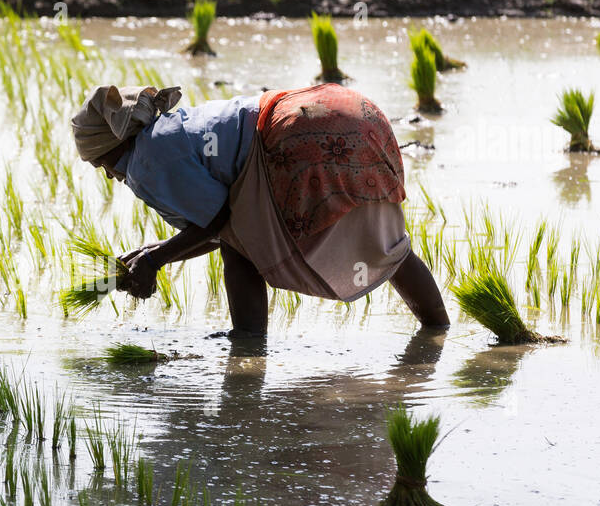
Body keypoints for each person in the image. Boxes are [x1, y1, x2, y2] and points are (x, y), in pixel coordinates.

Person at [70, 83, 449, 336]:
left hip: (293, 134)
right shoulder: (169, 132)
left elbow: (218, 222)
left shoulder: (145, 162)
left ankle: (249, 345)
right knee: (387, 247)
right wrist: (156, 254)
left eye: (100, 165)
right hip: (349, 113)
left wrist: (155, 260)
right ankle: (437, 334)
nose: (108, 176)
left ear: (111, 149)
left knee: (241, 249)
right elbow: (224, 227)